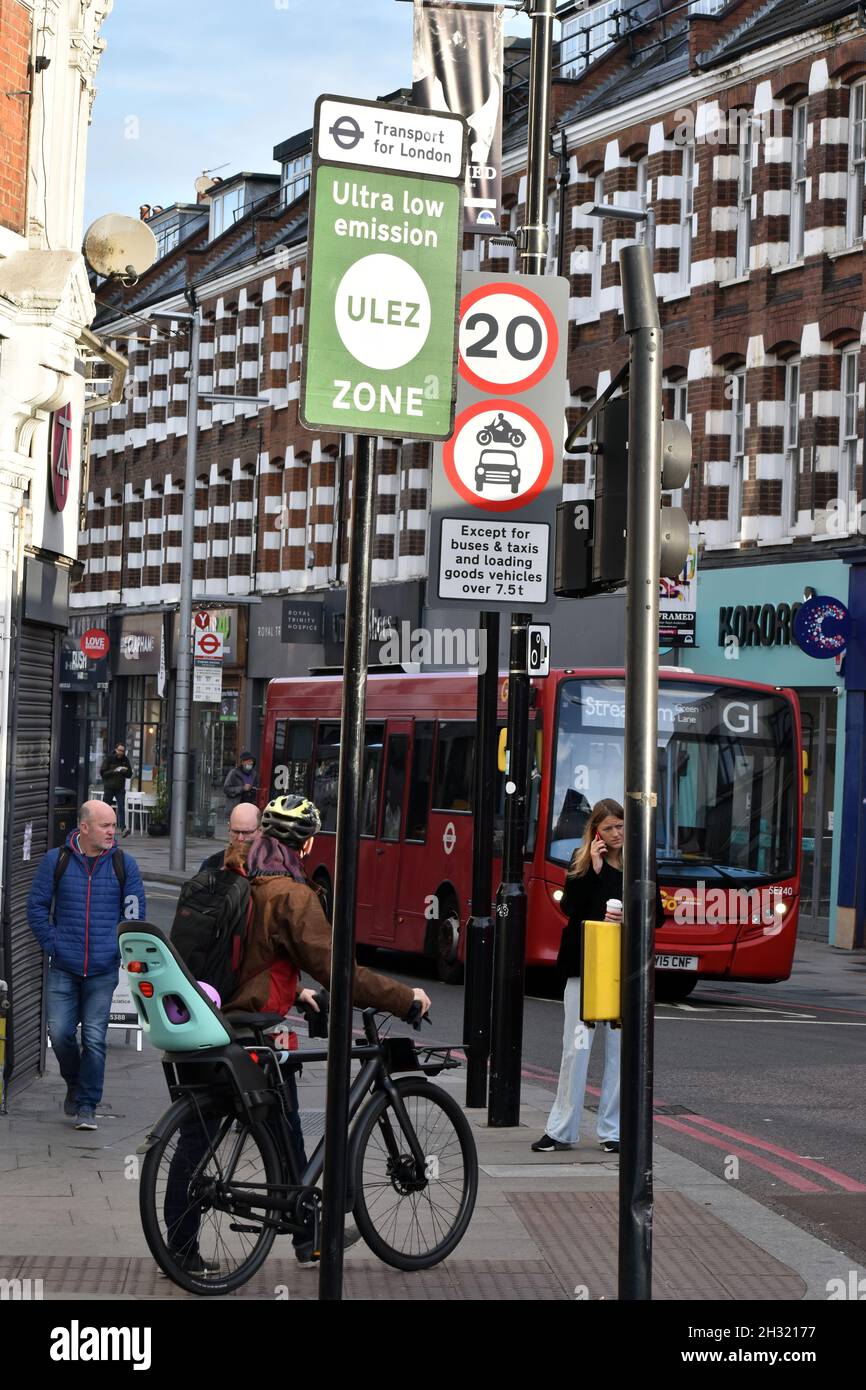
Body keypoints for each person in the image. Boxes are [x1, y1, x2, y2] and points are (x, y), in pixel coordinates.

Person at [166, 794, 430, 1273]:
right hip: (251, 1032)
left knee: (206, 1135)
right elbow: (340, 972)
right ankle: (303, 1236)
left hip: (209, 1018)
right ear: (306, 843)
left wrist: (295, 994)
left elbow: (248, 955)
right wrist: (404, 997)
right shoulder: (291, 893)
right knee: (276, 1128)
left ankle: (190, 1249)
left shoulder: (231, 869)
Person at [27, 801, 146, 1131]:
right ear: (84, 829)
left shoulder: (125, 864)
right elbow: (36, 908)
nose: (112, 832)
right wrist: (53, 944)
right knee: (60, 1033)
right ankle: (75, 1083)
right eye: (106, 825)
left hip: (103, 969)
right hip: (64, 966)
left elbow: (135, 915)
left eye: (114, 825)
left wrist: (117, 949)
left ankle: (87, 1106)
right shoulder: (57, 860)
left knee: (94, 1038)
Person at [532, 798, 627, 1156]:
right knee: (576, 1049)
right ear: (595, 833)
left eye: (620, 826)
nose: (616, 834)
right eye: (608, 828)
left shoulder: (640, 864)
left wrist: (627, 917)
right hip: (584, 967)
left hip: (621, 970)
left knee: (619, 1054)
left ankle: (612, 1131)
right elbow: (569, 908)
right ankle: (560, 1130)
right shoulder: (583, 862)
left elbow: (658, 916)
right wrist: (596, 868)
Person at [199, 801, 261, 871]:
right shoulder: (211, 864)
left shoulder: (271, 866)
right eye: (235, 832)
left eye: (246, 833)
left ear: (260, 831)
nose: (240, 838)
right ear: (229, 828)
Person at [100, 742, 133, 837]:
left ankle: (123, 829)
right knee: (106, 808)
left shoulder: (125, 760)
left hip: (120, 788)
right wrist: (114, 771)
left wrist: (125, 771)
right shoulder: (109, 759)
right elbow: (103, 773)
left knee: (121, 808)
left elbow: (130, 774)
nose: (121, 753)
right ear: (115, 750)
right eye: (119, 750)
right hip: (109, 787)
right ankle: (103, 827)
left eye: (123, 751)